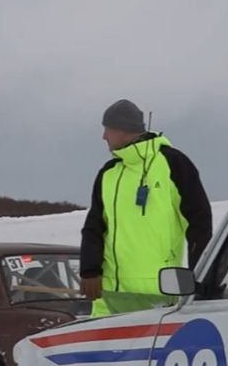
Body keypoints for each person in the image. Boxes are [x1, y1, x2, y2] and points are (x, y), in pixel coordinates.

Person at [79, 99, 213, 316]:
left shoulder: (173, 163)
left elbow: (199, 222)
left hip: (160, 295)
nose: (104, 137)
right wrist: (89, 271)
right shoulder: (108, 173)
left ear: (123, 130)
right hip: (109, 296)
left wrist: (198, 278)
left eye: (108, 130)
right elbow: (94, 226)